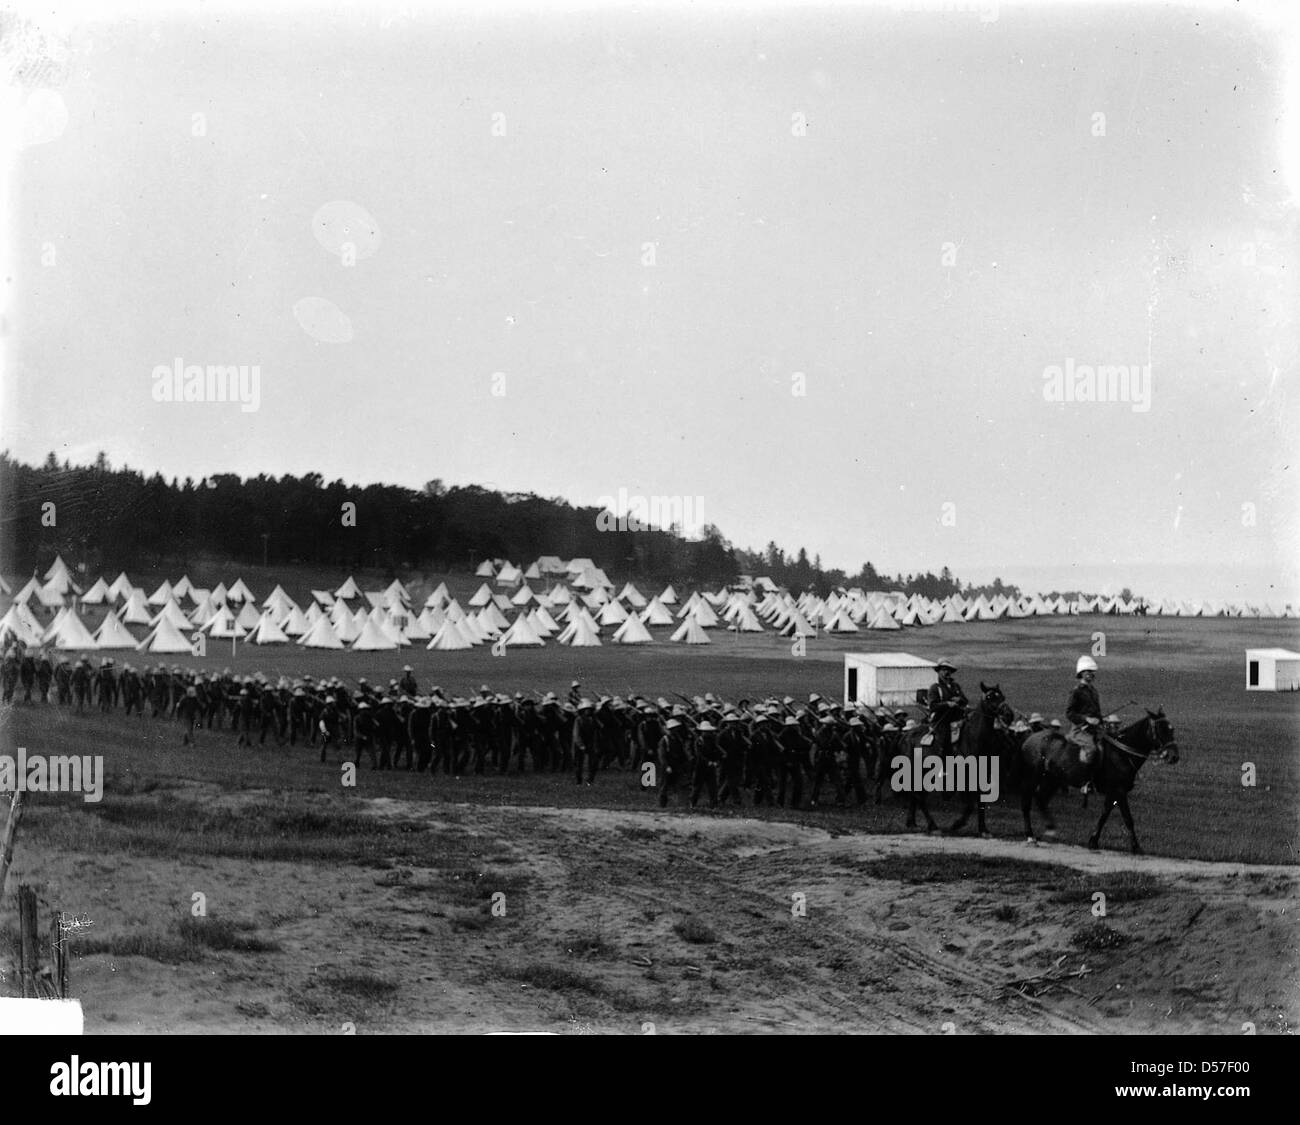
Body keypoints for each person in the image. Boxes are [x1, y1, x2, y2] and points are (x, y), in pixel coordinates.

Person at [1066, 655, 1103, 766]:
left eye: (1092, 671)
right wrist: (1087, 719)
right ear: (1081, 673)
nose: (1091, 673)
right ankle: (1085, 780)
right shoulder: (1076, 692)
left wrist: (1100, 720)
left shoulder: (1094, 691)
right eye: (1088, 671)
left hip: (1095, 729)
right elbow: (1069, 713)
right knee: (1091, 748)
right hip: (1079, 730)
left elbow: (1097, 712)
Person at [926, 658, 967, 755]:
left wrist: (959, 700)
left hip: (958, 719)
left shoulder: (956, 686)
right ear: (939, 672)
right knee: (944, 741)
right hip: (942, 720)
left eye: (948, 670)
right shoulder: (935, 688)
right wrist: (947, 704)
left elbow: (965, 701)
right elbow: (932, 705)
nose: (946, 672)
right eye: (944, 669)